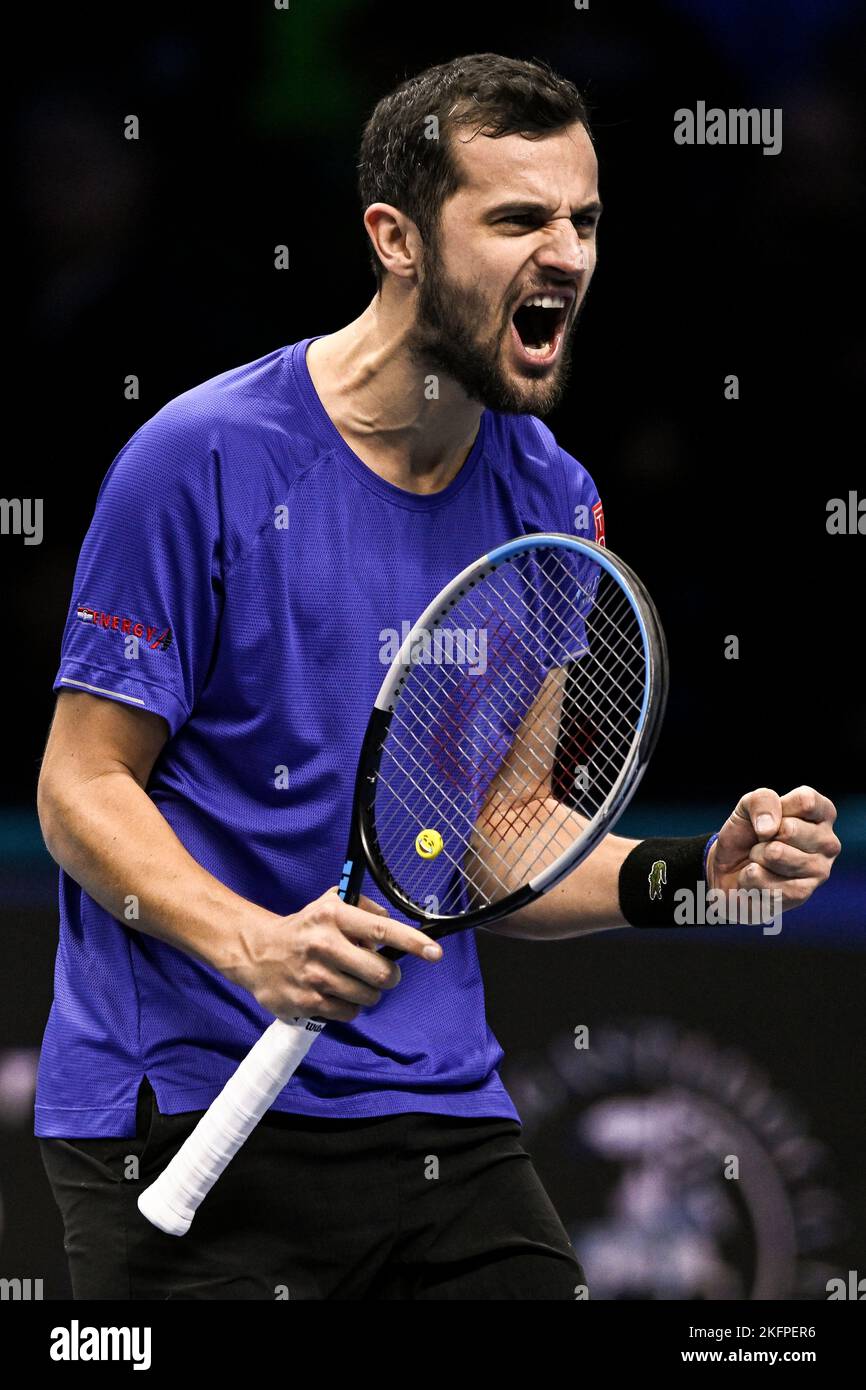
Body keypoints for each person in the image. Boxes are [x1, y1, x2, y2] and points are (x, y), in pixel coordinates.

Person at [35, 53, 840, 1300]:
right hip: (180, 1107)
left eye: (581, 220)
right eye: (517, 218)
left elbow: (496, 840)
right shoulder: (199, 459)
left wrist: (700, 878)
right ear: (394, 238)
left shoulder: (550, 501)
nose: (564, 254)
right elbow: (80, 791)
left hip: (437, 1119)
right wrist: (252, 945)